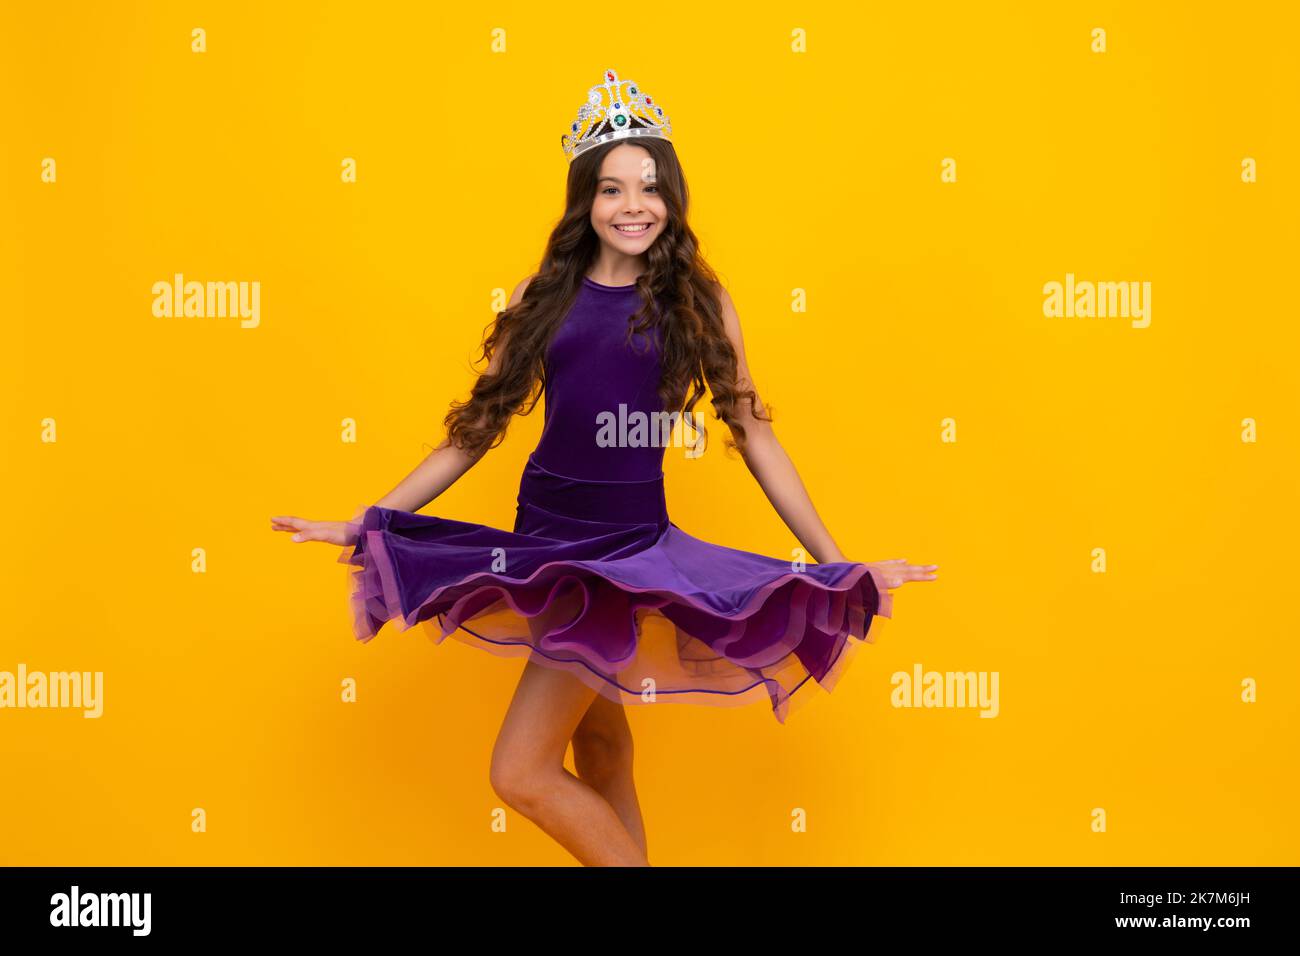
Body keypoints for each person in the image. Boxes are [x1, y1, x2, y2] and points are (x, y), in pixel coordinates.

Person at [271, 68, 937, 866]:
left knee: (518, 772)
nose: (633, 206)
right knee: (602, 748)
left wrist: (836, 566)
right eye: (613, 188)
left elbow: (752, 432)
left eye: (650, 188)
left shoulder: (697, 302)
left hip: (620, 553)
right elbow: (475, 432)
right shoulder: (540, 297)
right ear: (585, 199)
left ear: (672, 197)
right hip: (543, 540)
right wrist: (370, 518)